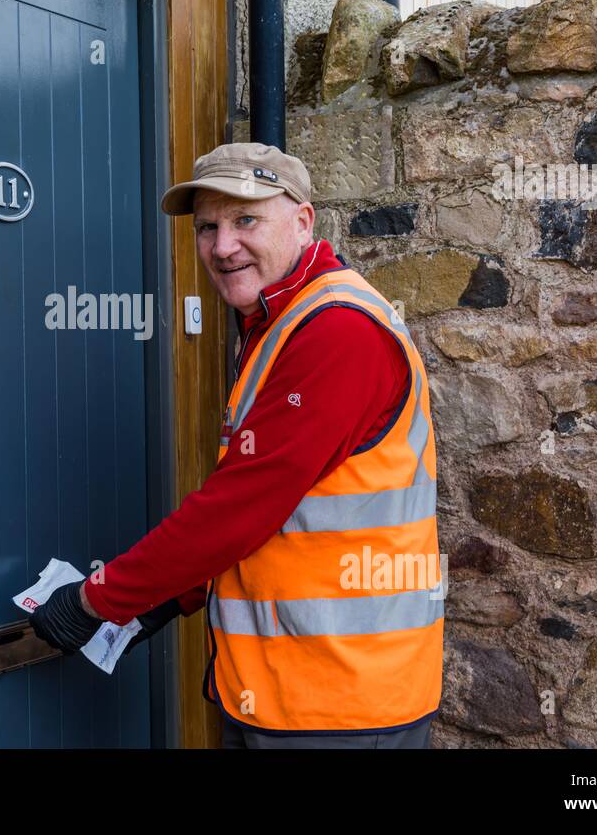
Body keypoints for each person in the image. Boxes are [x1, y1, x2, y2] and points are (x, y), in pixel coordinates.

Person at [29, 142, 443, 749]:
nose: (222, 247)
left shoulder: (336, 331)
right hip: (292, 692)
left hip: (338, 706)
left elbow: (242, 505)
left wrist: (98, 601)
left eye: (246, 219)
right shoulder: (280, 322)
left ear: (303, 222)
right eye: (208, 228)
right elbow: (281, 510)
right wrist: (169, 598)